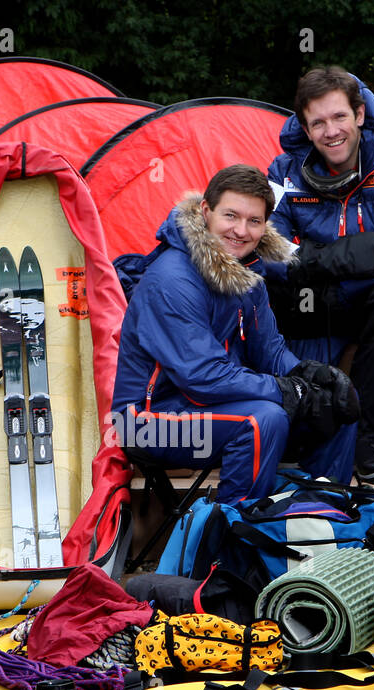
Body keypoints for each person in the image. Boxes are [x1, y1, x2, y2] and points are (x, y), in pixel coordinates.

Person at [111, 164, 358, 503]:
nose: (241, 231)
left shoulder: (246, 270)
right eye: (231, 216)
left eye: (254, 221)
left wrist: (308, 374)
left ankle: (317, 526)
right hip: (147, 423)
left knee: (336, 408)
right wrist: (286, 391)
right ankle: (233, 542)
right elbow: (202, 376)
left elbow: (269, 351)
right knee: (262, 420)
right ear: (206, 211)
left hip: (211, 404)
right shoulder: (173, 280)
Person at [266, 67, 374, 482]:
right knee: (255, 290)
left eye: (339, 117)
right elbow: (266, 249)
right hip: (309, 298)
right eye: (318, 123)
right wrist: (351, 257)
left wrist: (323, 270)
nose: (331, 132)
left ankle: (368, 441)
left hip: (370, 301)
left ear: (359, 114)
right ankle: (270, 429)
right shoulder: (283, 171)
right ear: (305, 130)